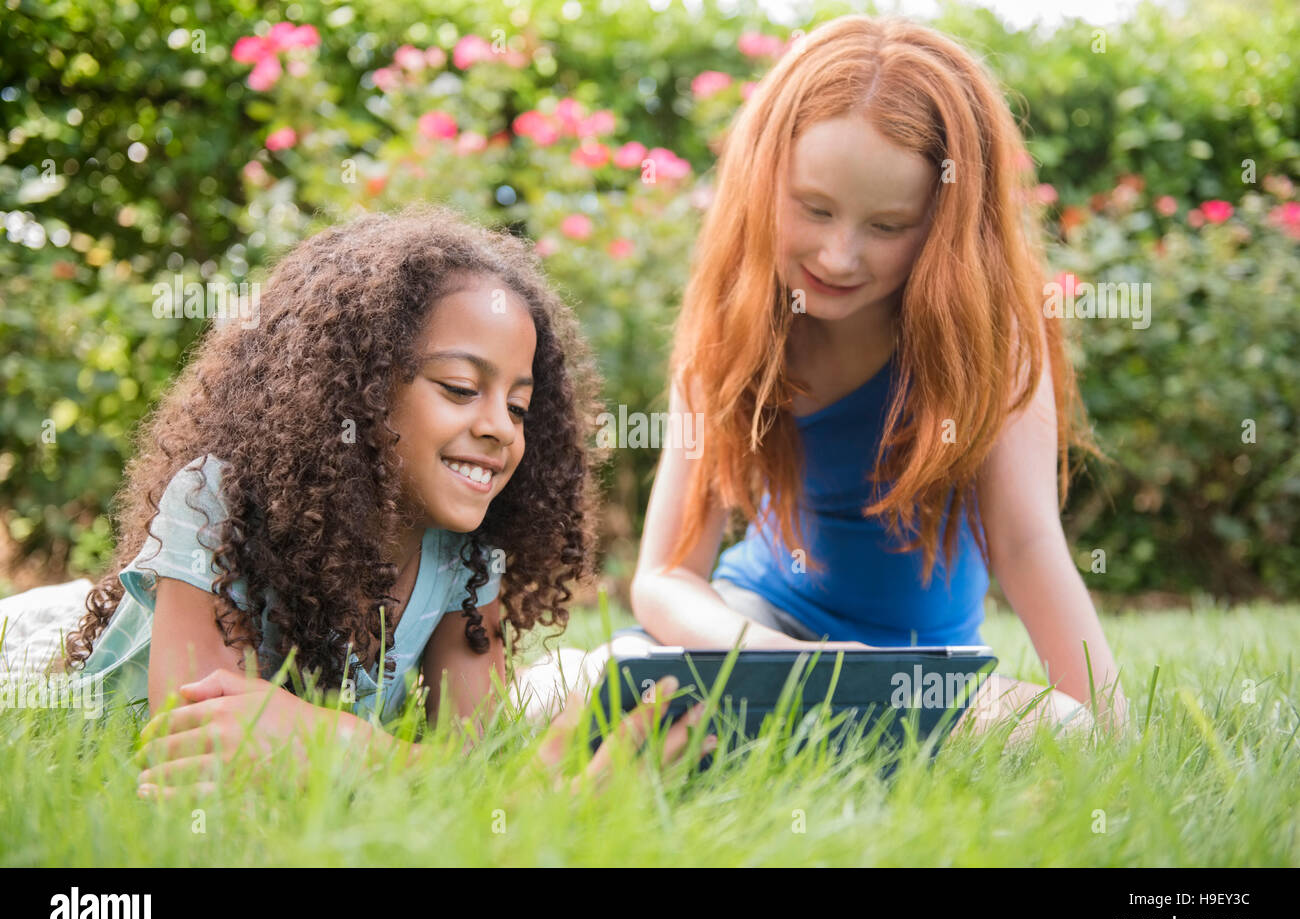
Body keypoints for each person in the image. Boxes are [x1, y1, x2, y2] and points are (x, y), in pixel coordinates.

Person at [553, 15, 1130, 746]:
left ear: (944, 222)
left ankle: (799, 730)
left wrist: (1106, 722)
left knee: (1062, 732)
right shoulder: (734, 324)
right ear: (763, 182)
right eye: (814, 208)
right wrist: (798, 667)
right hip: (757, 633)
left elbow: (1025, 544)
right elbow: (665, 577)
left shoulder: (993, 335)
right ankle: (797, 723)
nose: (839, 254)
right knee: (575, 689)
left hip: (917, 673)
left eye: (888, 226)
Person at [0, 205, 713, 794]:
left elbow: (474, 770)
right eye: (461, 388)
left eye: (520, 406)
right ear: (359, 393)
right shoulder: (220, 505)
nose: (499, 425)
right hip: (30, 658)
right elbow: (195, 758)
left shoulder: (461, 553)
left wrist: (335, 741)